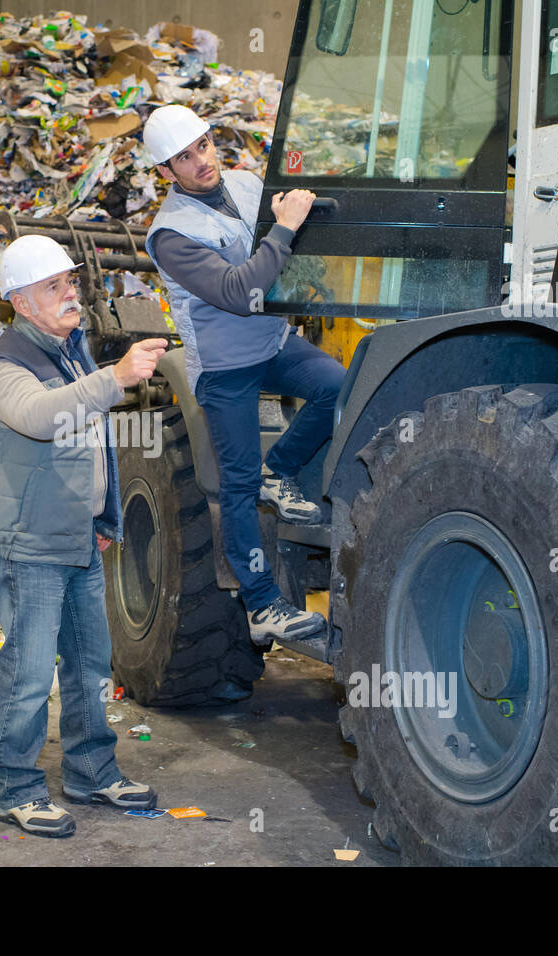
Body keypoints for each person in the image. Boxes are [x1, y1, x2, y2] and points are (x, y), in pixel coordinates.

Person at [0, 234, 169, 838]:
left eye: (71, 282)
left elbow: (93, 444)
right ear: (21, 302)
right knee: (29, 671)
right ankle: (16, 786)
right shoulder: (2, 366)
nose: (70, 294)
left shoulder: (68, 351)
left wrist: (102, 519)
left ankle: (90, 770)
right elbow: (43, 417)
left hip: (75, 536)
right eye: (54, 287)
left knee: (90, 664)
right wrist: (115, 376)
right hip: (28, 545)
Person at [142, 104, 347, 647]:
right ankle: (261, 606)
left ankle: (279, 470)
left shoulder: (246, 182)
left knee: (338, 387)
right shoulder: (170, 235)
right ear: (167, 172)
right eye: (183, 158)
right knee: (237, 484)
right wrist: (283, 229)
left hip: (273, 341)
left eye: (203, 146)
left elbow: (283, 256)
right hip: (226, 366)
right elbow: (237, 290)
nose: (200, 162)